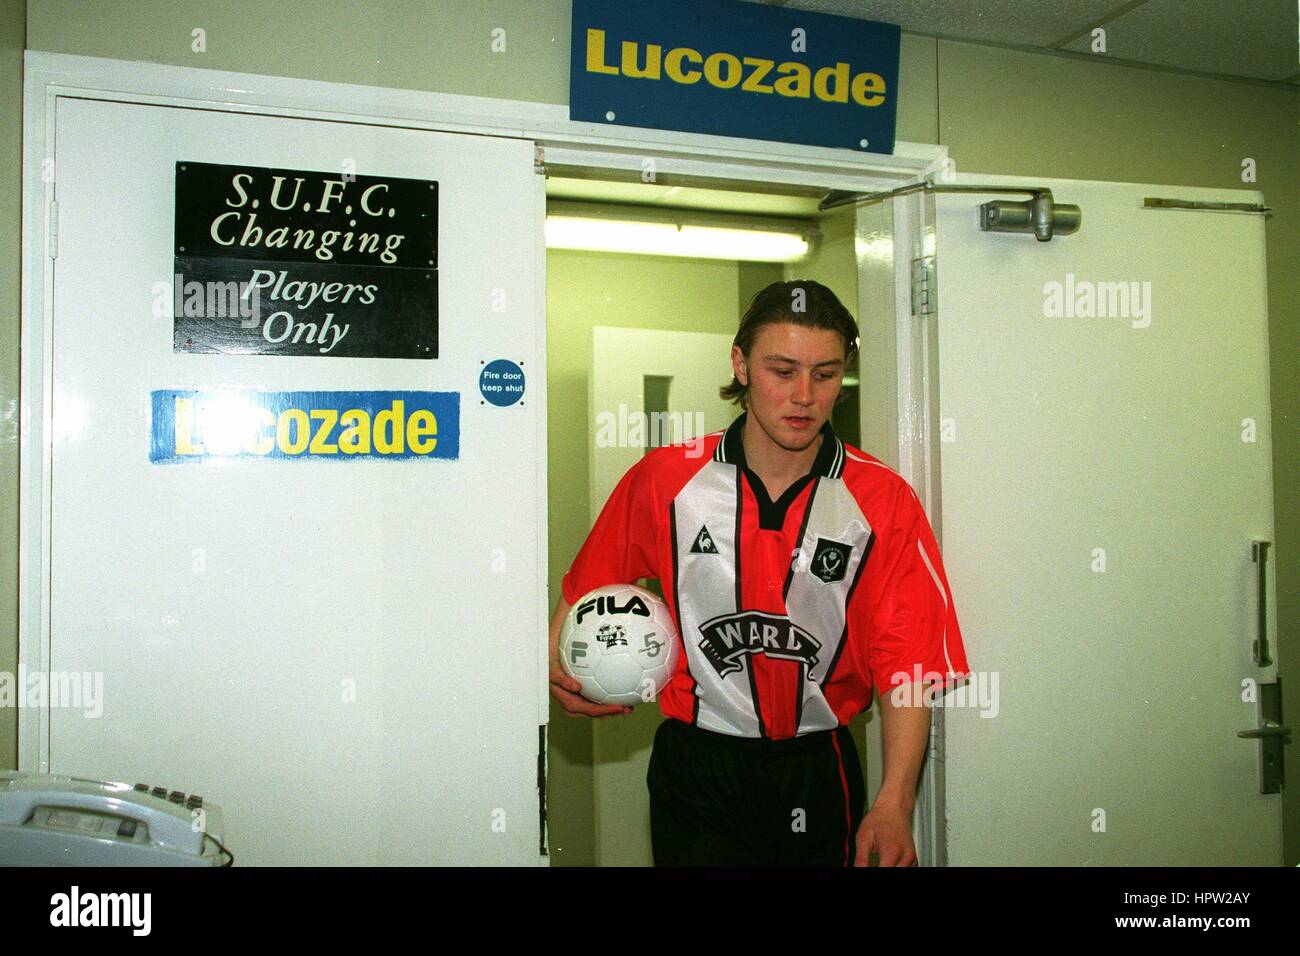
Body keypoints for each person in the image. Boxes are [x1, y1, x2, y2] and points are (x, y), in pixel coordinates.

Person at [548, 279, 971, 867]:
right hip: (695, 768)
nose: (803, 396)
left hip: (815, 767)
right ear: (740, 364)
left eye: (825, 375)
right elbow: (583, 597)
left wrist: (895, 802)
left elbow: (909, 665)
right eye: (782, 370)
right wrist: (565, 670)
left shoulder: (882, 499)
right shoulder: (665, 480)